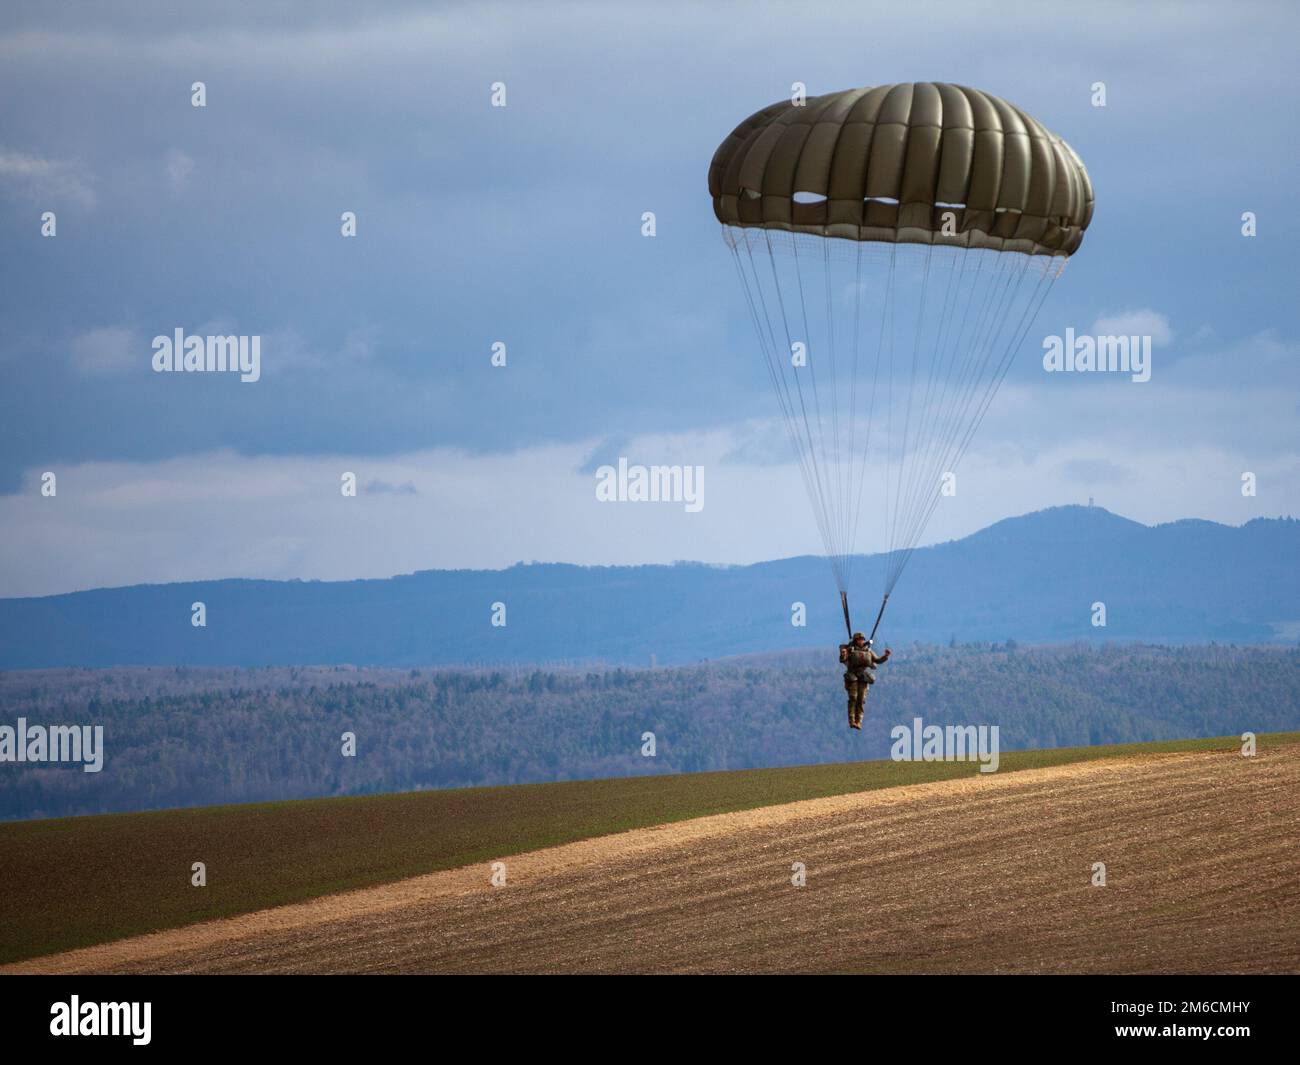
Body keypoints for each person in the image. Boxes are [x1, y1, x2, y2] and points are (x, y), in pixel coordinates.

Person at [838, 632, 890, 730]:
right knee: (853, 697)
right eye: (859, 639)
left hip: (863, 676)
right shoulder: (850, 650)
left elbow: (877, 660)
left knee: (861, 699)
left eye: (862, 639)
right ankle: (852, 720)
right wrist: (843, 653)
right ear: (855, 641)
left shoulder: (868, 651)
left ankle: (859, 722)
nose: (861, 641)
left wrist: (885, 656)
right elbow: (842, 659)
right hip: (852, 675)